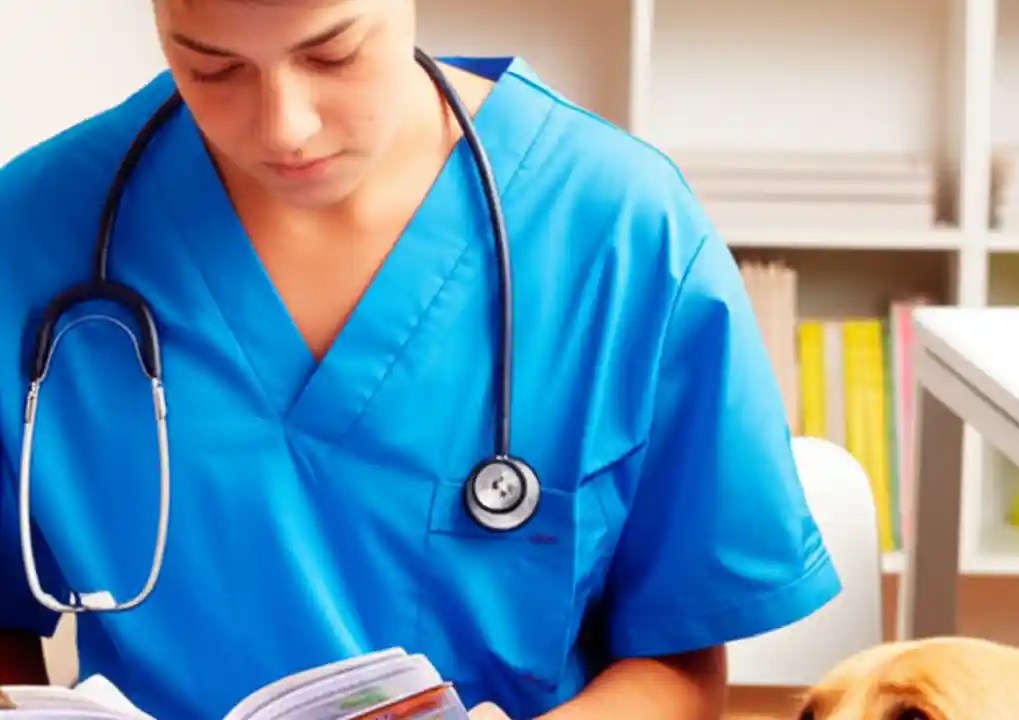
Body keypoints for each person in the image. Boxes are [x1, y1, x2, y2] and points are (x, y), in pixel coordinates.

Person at [0, 1, 842, 718]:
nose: (284, 126)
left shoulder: (618, 232)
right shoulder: (32, 236)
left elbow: (684, 666)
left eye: (331, 51)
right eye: (213, 68)